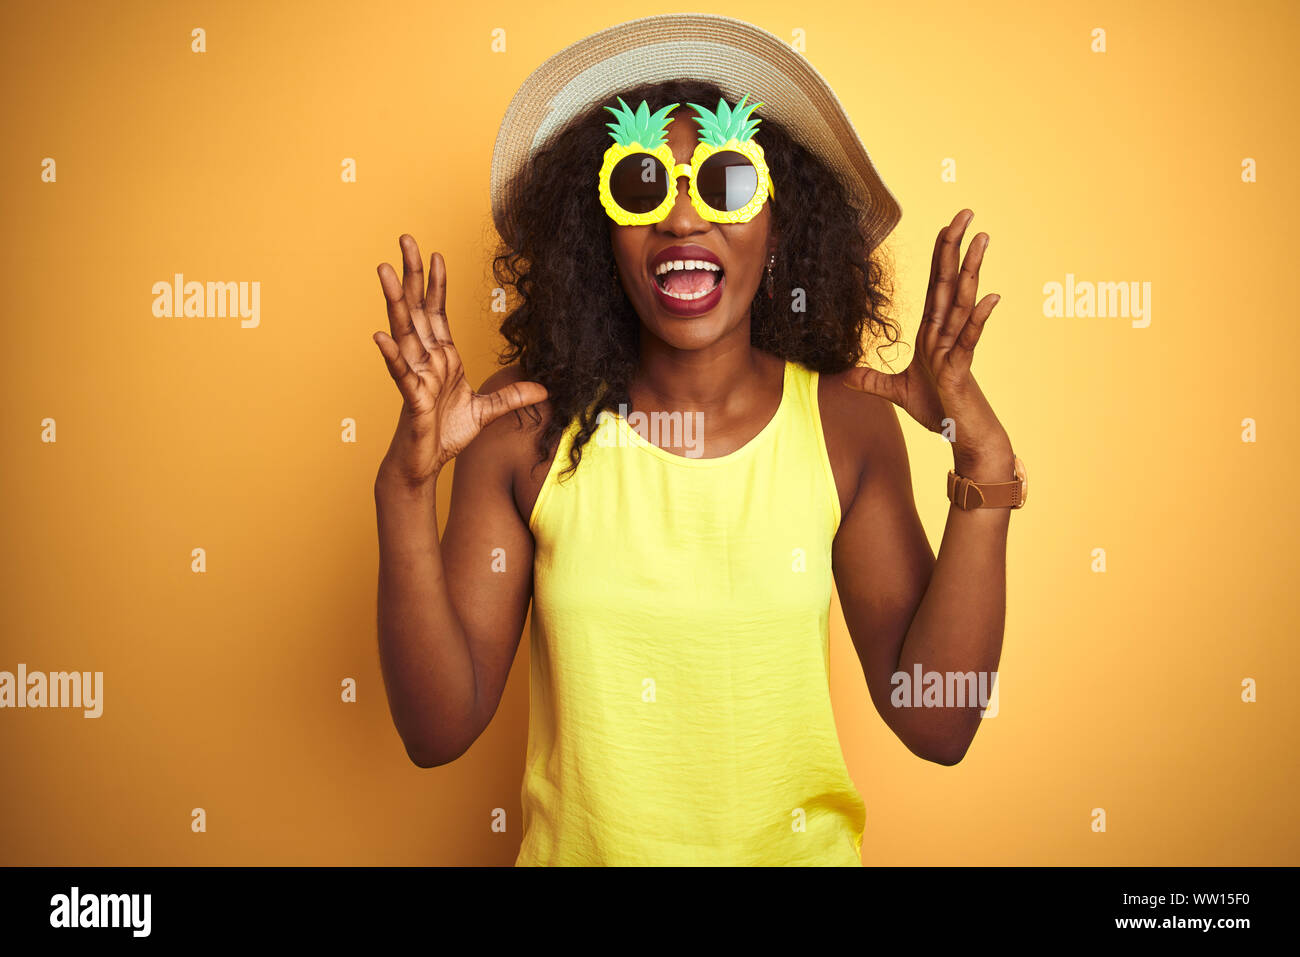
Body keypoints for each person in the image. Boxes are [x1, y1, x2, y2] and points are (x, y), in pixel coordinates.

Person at [370, 14, 1027, 866]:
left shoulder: (844, 427)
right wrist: (403, 490)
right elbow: (436, 729)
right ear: (599, 231)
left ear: (780, 224)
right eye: (642, 183)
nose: (683, 217)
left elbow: (939, 724)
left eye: (725, 182)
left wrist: (987, 470)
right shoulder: (521, 428)